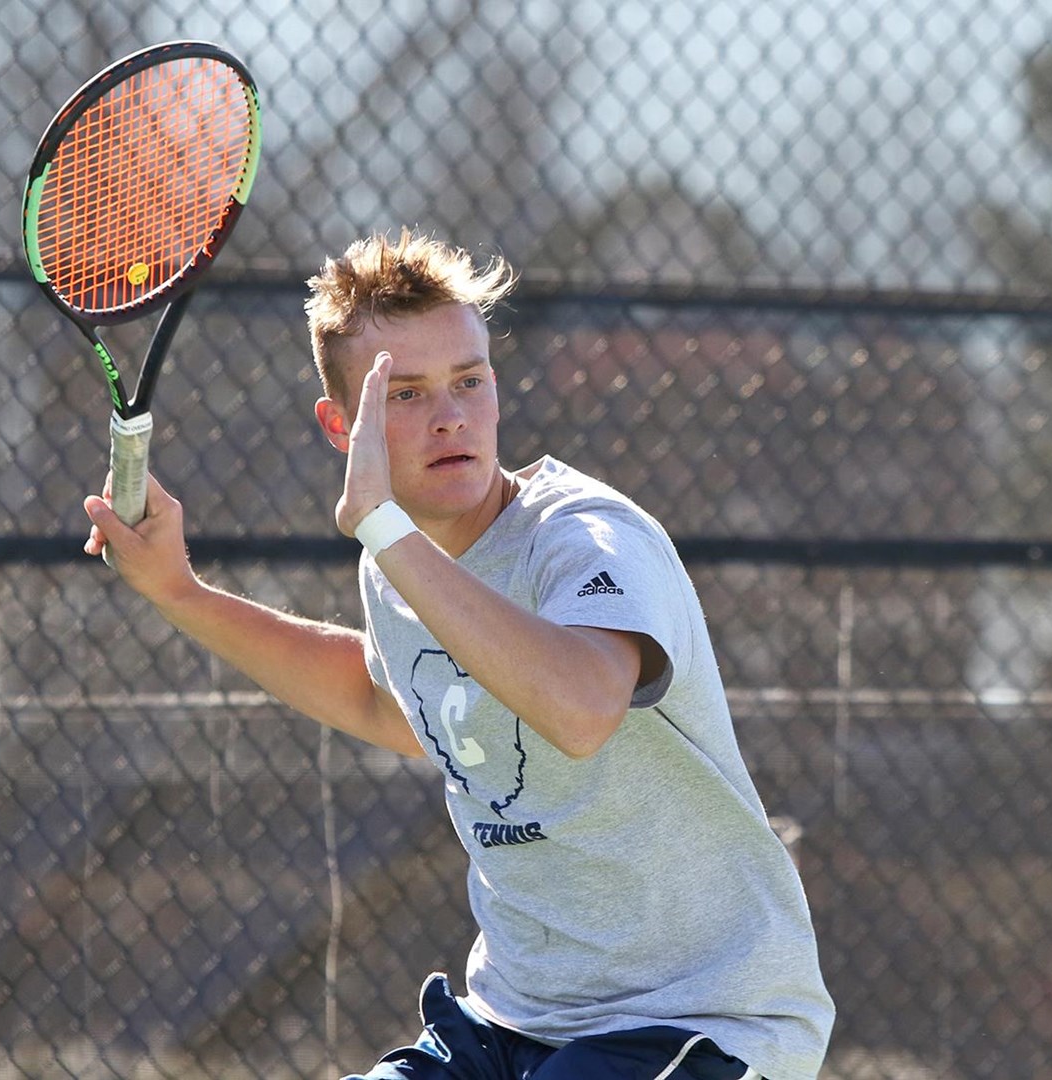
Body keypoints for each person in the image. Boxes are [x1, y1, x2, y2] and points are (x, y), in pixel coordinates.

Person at [82, 230, 834, 1079]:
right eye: (404, 394)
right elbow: (389, 701)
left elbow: (583, 711)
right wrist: (183, 592)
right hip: (508, 1023)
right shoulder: (394, 563)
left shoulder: (587, 538)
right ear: (342, 426)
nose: (450, 416)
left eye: (468, 381)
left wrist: (387, 532)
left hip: (704, 1020)